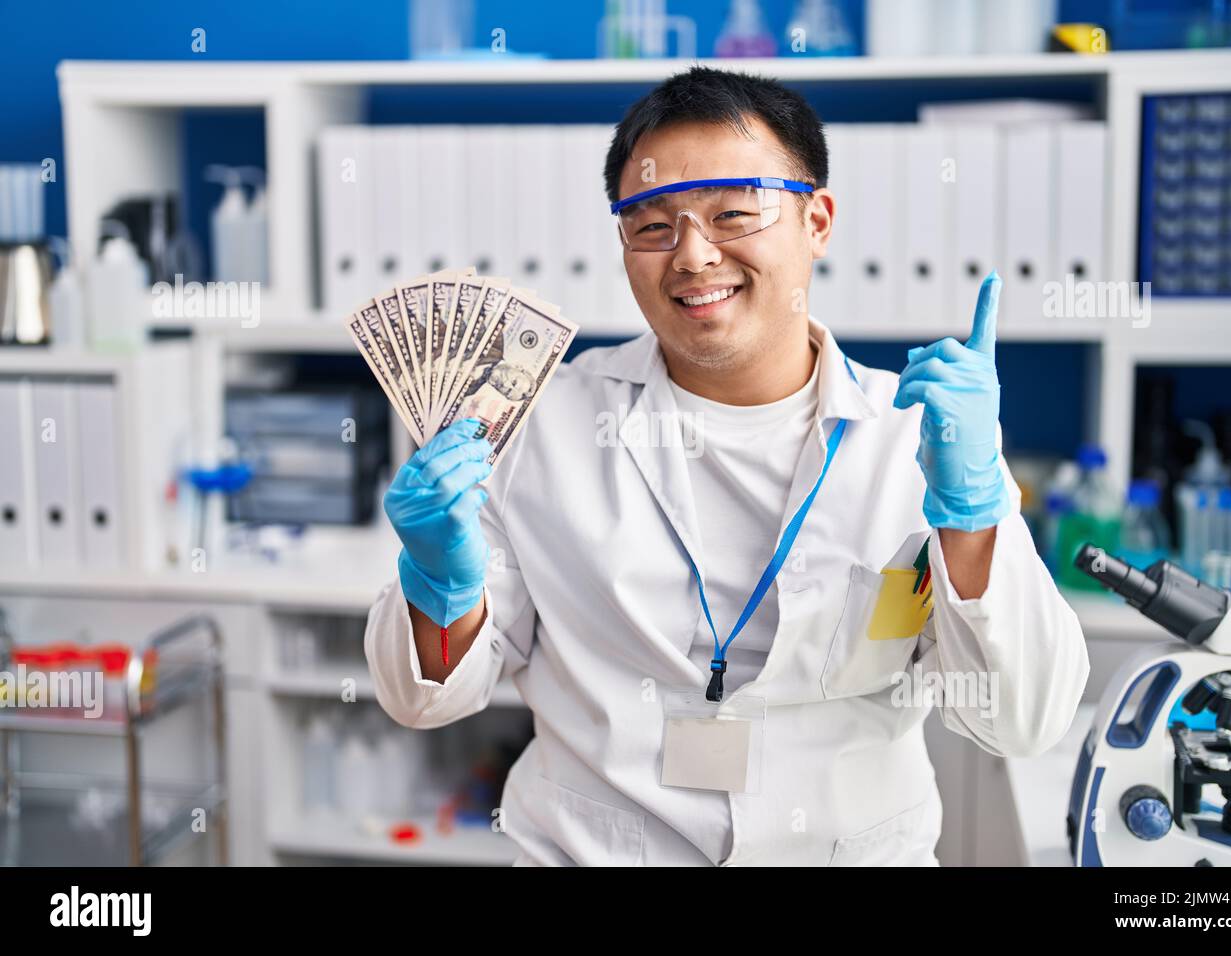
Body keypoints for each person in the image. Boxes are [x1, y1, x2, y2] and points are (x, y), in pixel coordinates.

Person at [365, 66, 1089, 866]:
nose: (693, 254)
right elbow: (423, 699)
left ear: (817, 221)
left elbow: (1023, 721)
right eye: (652, 226)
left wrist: (975, 512)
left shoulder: (916, 438)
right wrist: (438, 584)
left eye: (734, 214)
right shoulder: (535, 424)